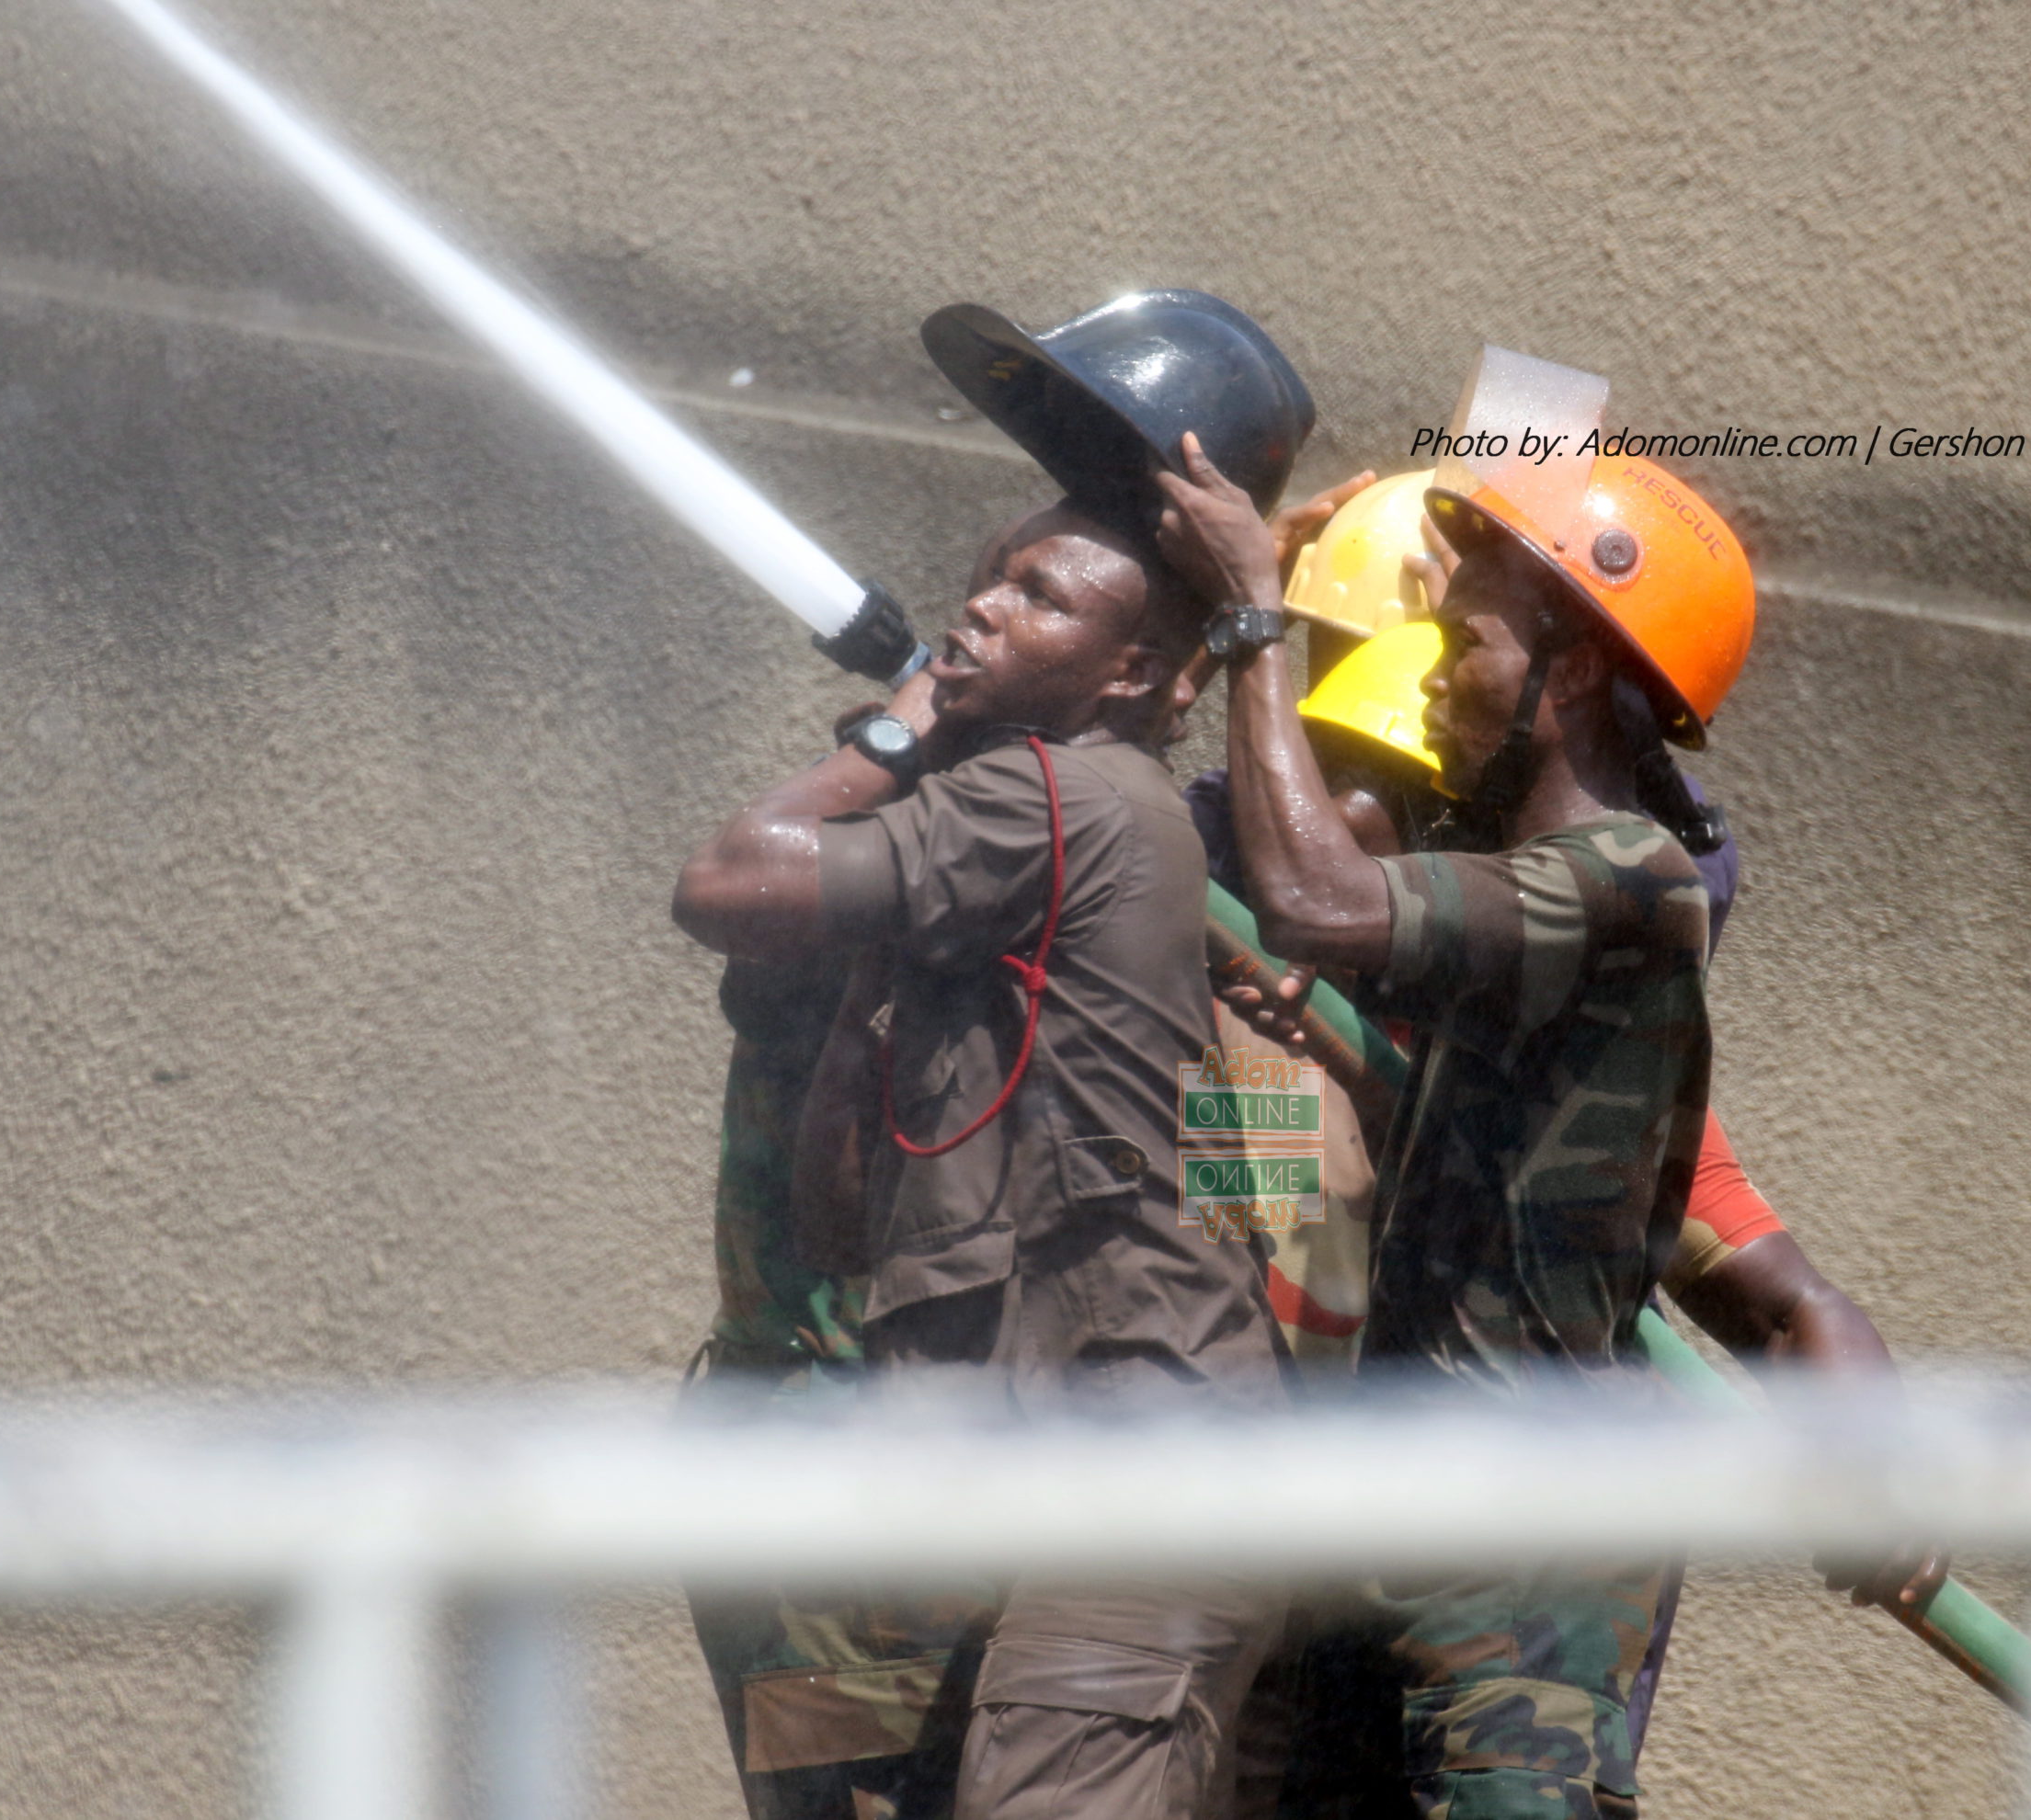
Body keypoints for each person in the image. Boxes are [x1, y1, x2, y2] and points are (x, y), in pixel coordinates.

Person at [675, 289, 1318, 1819]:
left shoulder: (1085, 821)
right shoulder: (1014, 836)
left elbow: (724, 881)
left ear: (1145, 676)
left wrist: (903, 725)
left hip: (1077, 1469)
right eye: (989, 584)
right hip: (911, 1462)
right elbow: (833, 1195)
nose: (982, 615)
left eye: (1036, 596)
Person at [1155, 415, 1748, 1820]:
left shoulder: (1630, 882)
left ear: (1574, 671)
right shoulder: (1434, 984)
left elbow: (1317, 898)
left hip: (1519, 1555)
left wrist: (1249, 612)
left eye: (1467, 644)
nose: (1431, 687)